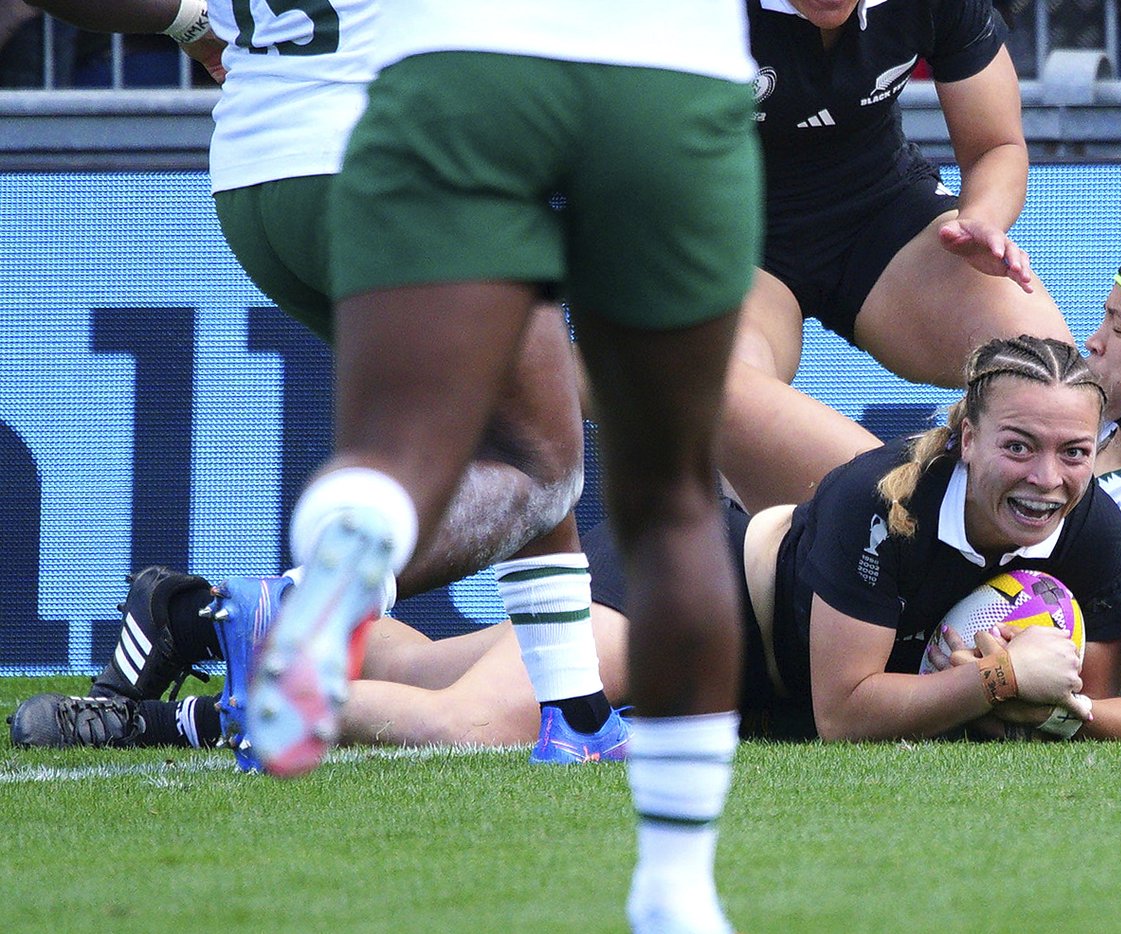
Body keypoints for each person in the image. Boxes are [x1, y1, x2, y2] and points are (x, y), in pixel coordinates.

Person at [235, 3, 761, 931]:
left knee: (405, 451)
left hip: (454, 66)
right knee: (672, 498)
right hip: (666, 62)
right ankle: (678, 890)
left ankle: (353, 558)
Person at [18, 0, 627, 769]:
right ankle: (289, 611)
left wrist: (185, 21)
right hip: (413, 156)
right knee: (546, 466)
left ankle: (577, 716)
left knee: (507, 444)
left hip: (263, 179)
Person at [27, 336, 1121, 754]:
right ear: (962, 433)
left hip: (730, 680)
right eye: (1019, 446)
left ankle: (200, 615)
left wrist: (1050, 702)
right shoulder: (875, 500)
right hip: (673, 600)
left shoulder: (1091, 523)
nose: (1046, 479)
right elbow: (846, 715)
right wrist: (996, 676)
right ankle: (181, 719)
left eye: (1072, 453)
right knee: (471, 726)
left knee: (421, 661)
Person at [717, 0, 1072, 512]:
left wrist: (983, 219)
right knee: (729, 386)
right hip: (730, 237)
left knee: (1043, 370)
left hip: (883, 214)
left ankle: (1030, 568)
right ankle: (886, 526)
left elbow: (996, 145)